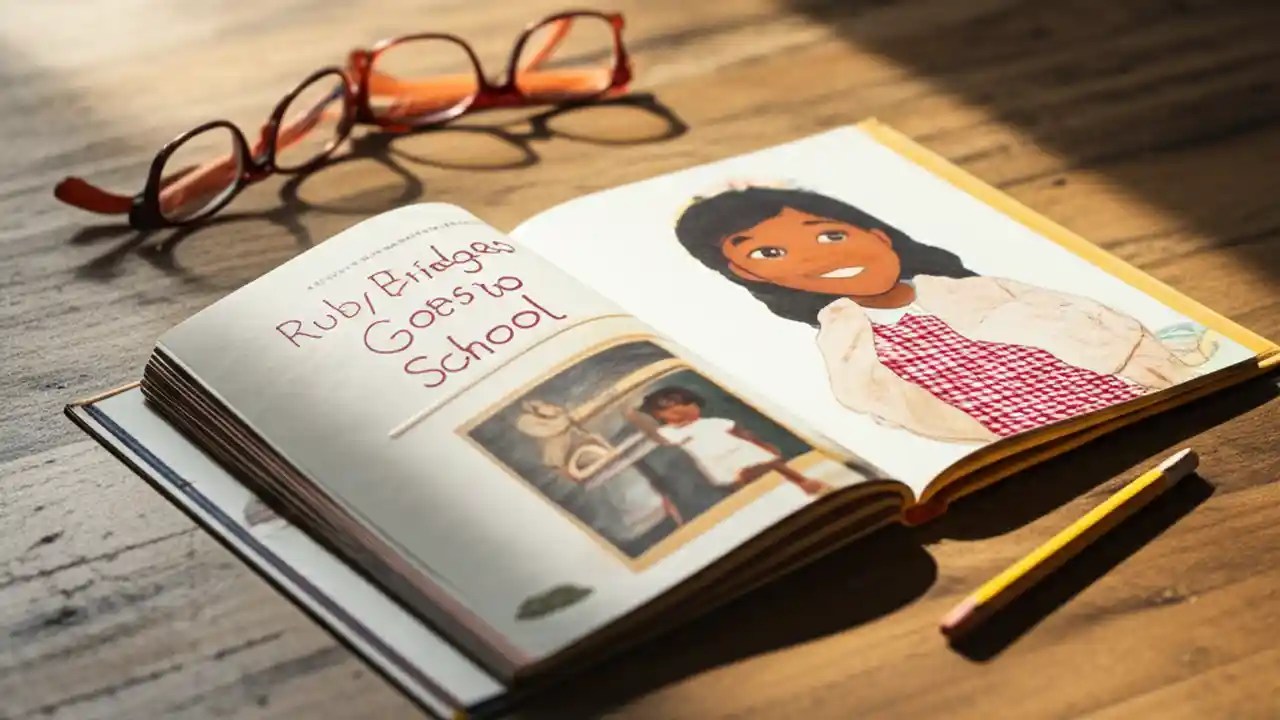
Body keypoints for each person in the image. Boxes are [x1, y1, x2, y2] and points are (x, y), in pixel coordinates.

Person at [674, 187, 1202, 444]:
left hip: (1143, 410)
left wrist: (1164, 378)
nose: (819, 257)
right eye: (768, 255)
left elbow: (1110, 328)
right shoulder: (847, 344)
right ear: (754, 277)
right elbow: (887, 409)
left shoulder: (984, 292)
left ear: (878, 236)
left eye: (831, 235)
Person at [632, 386, 830, 496]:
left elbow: (742, 434)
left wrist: (762, 445)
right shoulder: (669, 433)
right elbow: (655, 435)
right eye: (670, 410)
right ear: (659, 415)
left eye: (689, 405)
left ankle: (803, 482)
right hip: (719, 462)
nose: (682, 411)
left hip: (740, 450)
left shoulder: (713, 422)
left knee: (771, 463)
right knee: (743, 478)